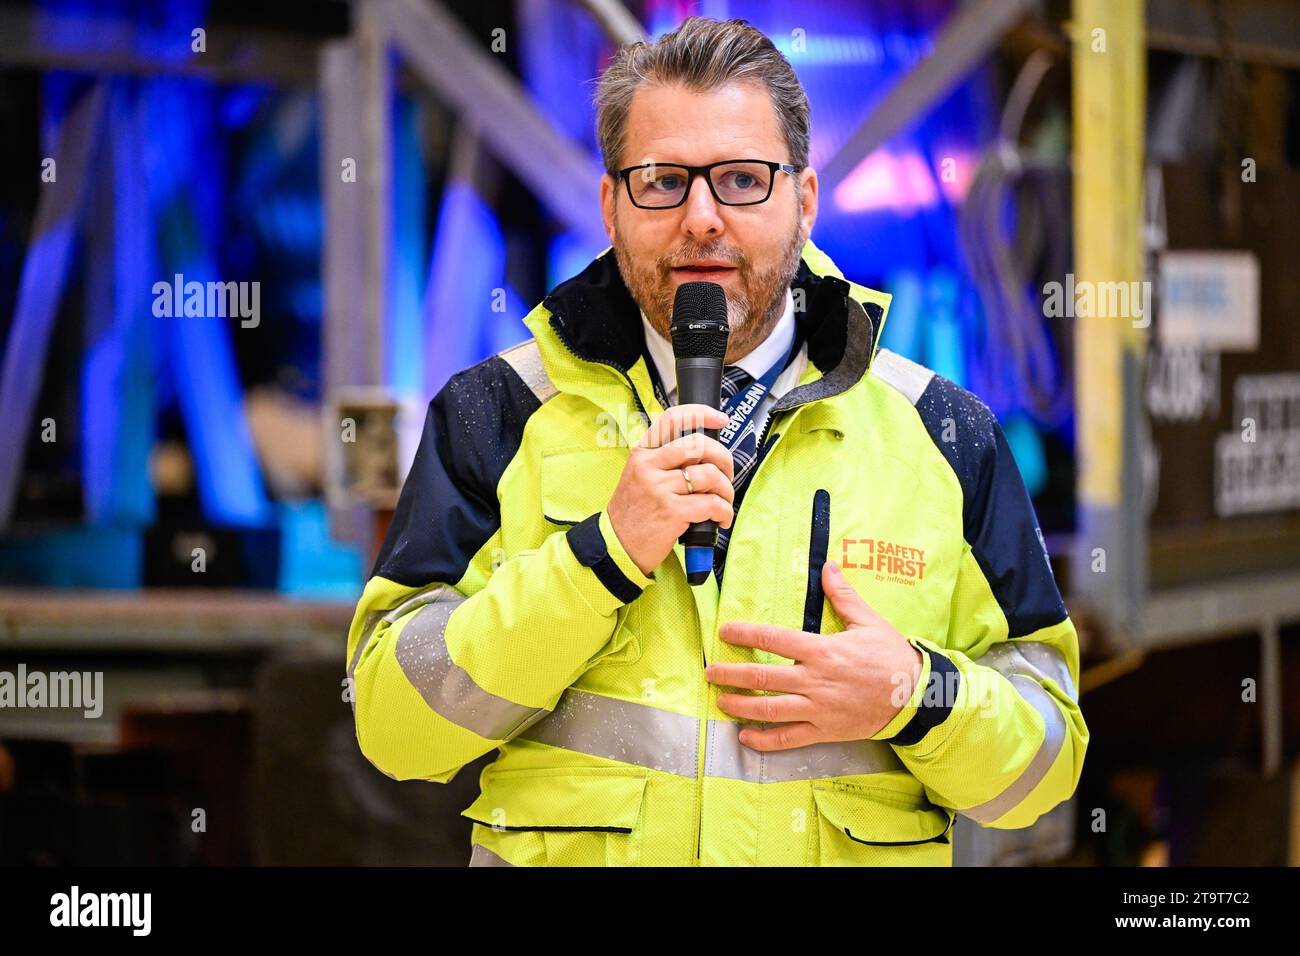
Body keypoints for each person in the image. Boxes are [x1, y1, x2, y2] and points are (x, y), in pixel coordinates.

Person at [345, 16, 1087, 866]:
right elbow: (395, 730)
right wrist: (599, 558)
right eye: (662, 181)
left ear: (803, 201)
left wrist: (915, 696)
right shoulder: (494, 415)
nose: (702, 219)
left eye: (740, 179)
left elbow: (1044, 769)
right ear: (612, 205)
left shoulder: (946, 434)